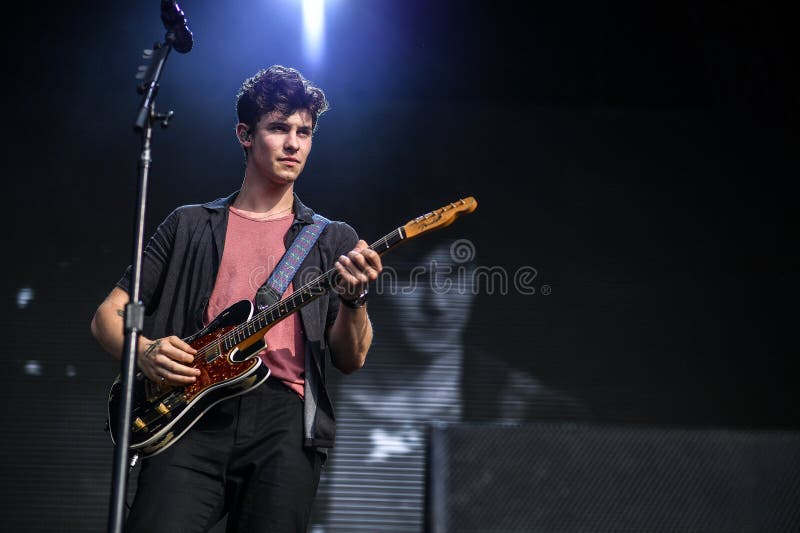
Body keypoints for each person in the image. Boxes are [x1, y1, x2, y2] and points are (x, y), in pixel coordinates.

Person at [90, 65, 382, 533]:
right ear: (245, 134)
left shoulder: (333, 238)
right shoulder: (188, 225)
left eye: (304, 132)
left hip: (283, 426)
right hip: (189, 415)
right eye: (279, 128)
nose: (293, 144)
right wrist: (145, 352)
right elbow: (108, 315)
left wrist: (355, 300)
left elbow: (351, 358)